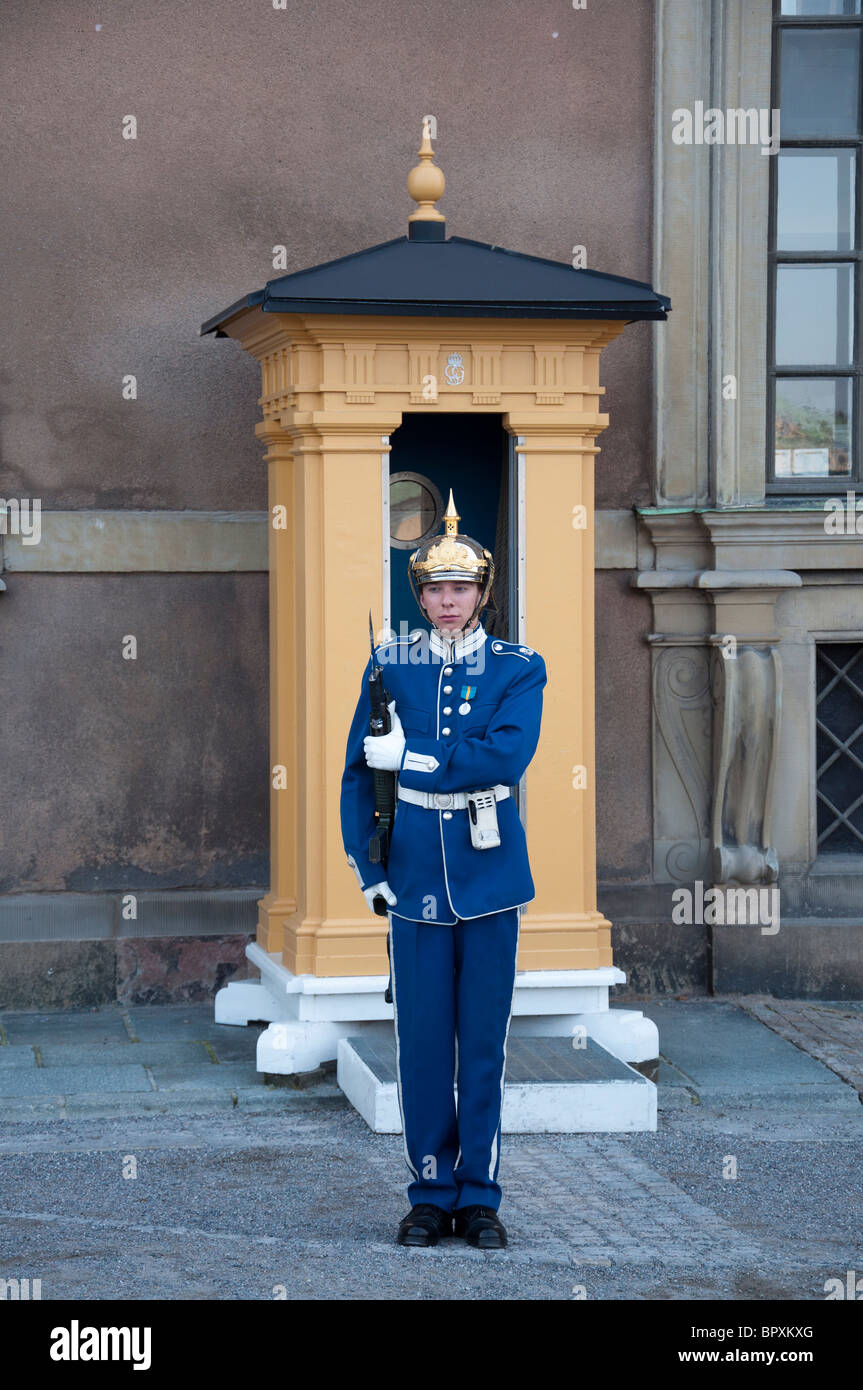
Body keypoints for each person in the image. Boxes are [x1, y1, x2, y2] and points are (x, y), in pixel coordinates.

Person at [340, 490, 546, 1250]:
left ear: (483, 595)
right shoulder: (388, 665)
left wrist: (416, 760)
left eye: (460, 588)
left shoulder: (520, 669)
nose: (447, 601)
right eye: (433, 589)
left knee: (484, 1046)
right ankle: (429, 1191)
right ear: (419, 596)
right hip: (415, 873)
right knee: (423, 1045)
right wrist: (370, 869)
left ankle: (480, 1195)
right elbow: (358, 778)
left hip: (490, 878)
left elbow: (503, 756)